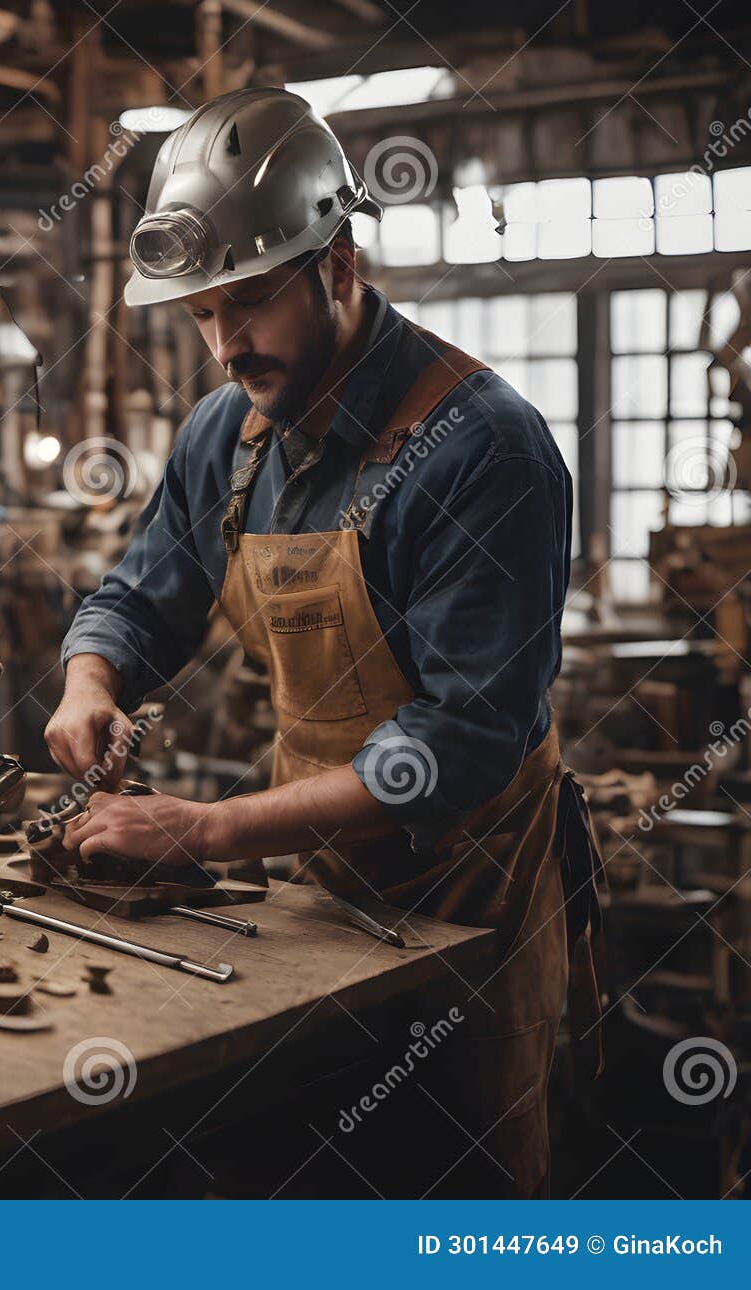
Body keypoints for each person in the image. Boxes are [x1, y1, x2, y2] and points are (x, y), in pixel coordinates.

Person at [46, 87, 602, 1197]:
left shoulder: (480, 453)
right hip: (308, 880)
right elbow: (145, 594)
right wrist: (88, 676)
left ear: (338, 266)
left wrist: (206, 828)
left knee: (456, 1187)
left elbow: (452, 746)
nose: (224, 346)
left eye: (248, 303)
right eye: (201, 313)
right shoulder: (227, 432)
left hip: (466, 892)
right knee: (309, 1167)